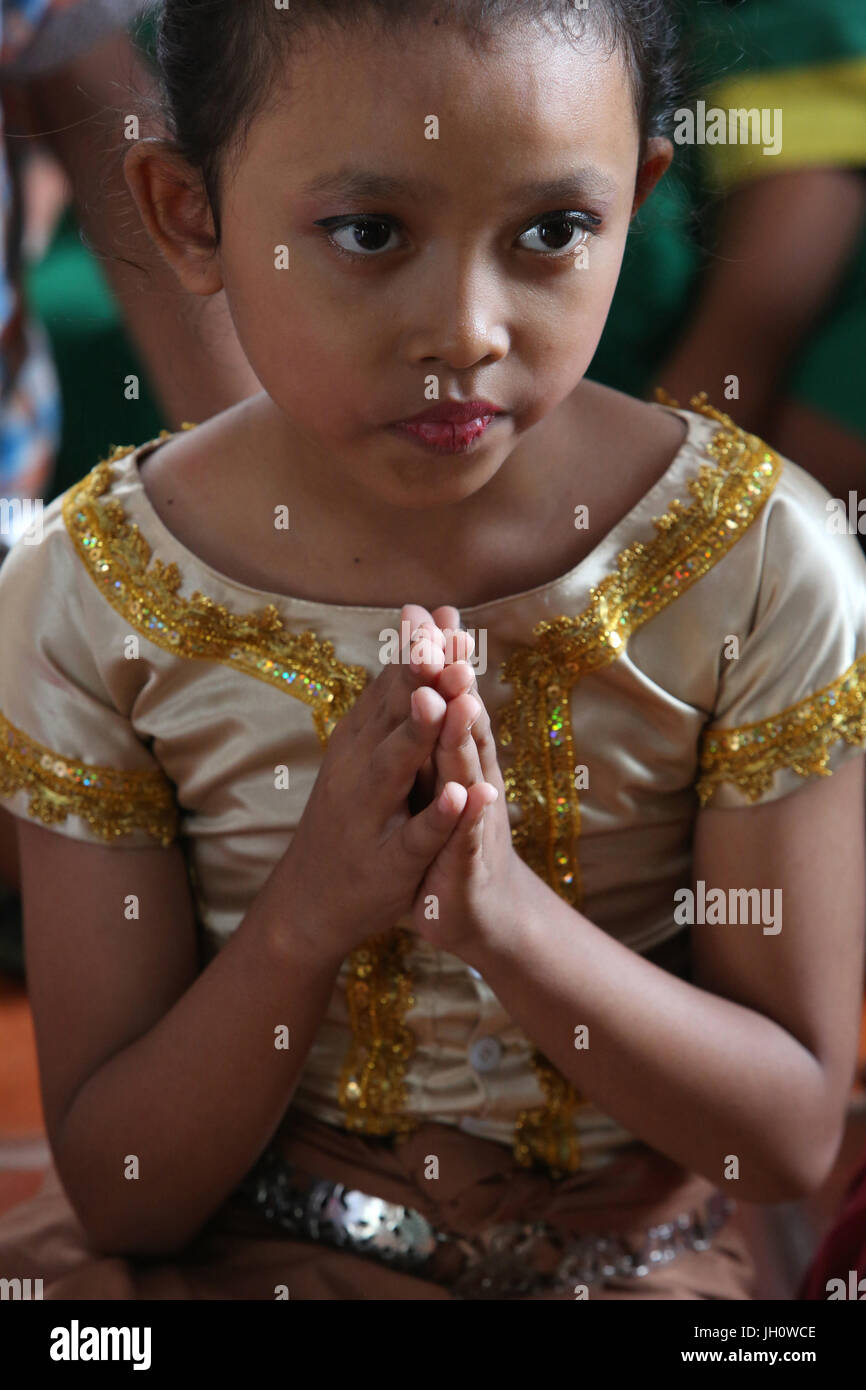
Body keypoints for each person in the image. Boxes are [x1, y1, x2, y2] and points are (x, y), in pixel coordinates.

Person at [0, 0, 864, 1302]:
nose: (465, 328)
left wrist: (503, 917)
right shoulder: (90, 592)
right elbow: (129, 1185)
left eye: (551, 231)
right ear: (190, 214)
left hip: (632, 1269)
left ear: (634, 199)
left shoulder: (756, 562)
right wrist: (306, 915)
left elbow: (785, 1135)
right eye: (367, 233)